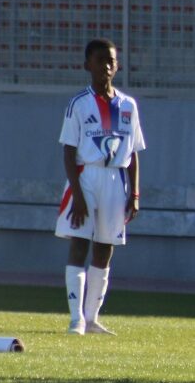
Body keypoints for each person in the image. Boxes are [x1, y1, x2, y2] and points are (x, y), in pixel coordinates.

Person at [56, 39, 145, 336]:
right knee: (79, 243)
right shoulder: (78, 104)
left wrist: (134, 194)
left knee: (105, 248)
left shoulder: (128, 106)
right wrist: (78, 195)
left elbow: (132, 153)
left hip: (115, 180)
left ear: (117, 65)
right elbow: (68, 151)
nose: (106, 66)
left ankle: (92, 317)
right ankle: (75, 319)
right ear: (87, 65)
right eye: (99, 61)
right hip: (86, 176)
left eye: (111, 61)